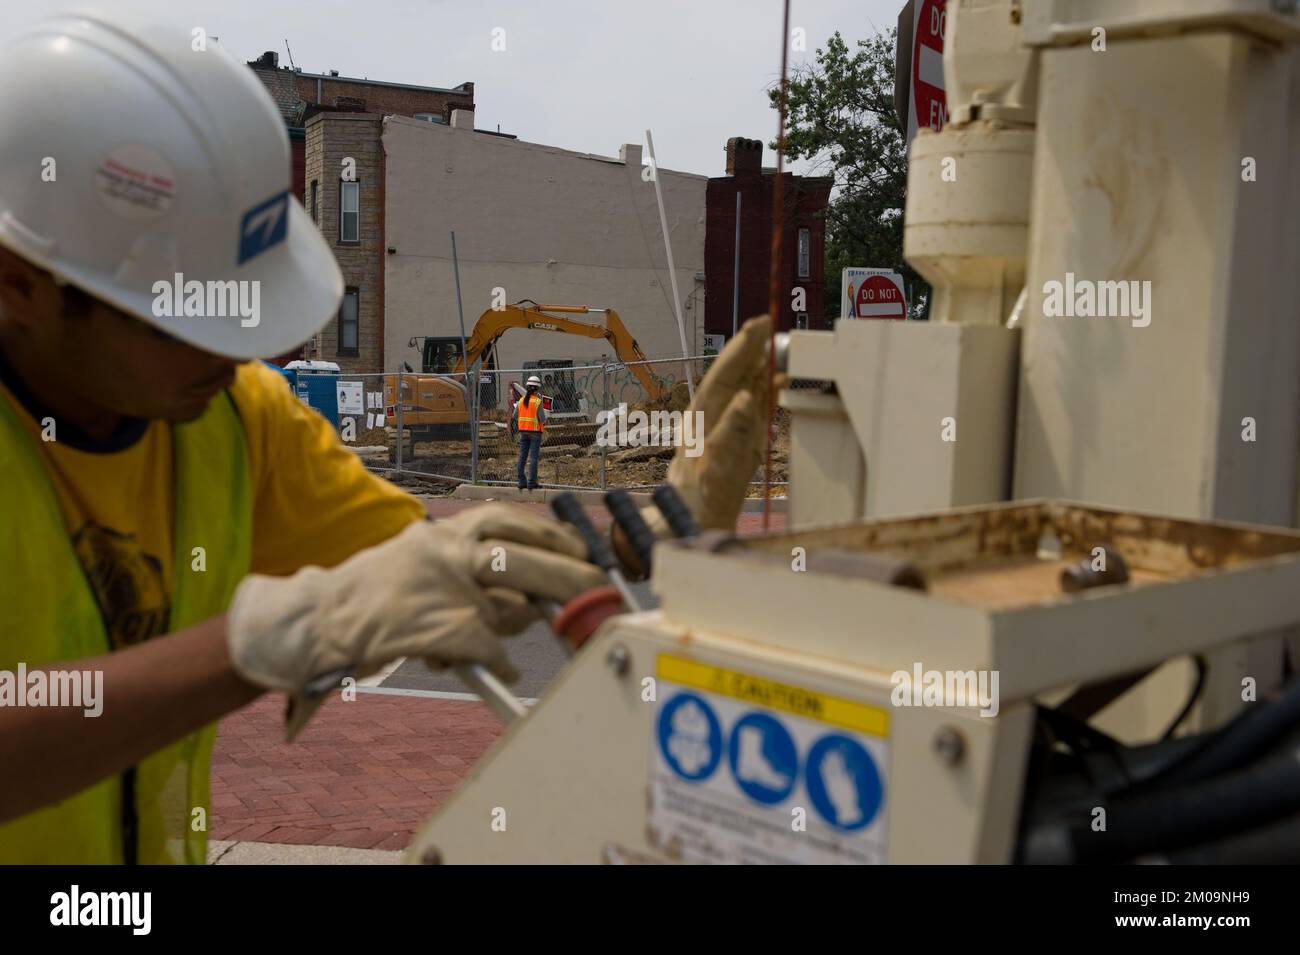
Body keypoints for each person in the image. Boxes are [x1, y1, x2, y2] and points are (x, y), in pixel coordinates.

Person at [0, 11, 608, 864]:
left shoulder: (233, 415)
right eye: (182, 317)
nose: (242, 346)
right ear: (20, 284)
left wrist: (661, 540)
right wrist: (255, 645)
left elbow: (412, 562)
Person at [514, 374, 548, 490]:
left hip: (523, 432)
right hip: (535, 433)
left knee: (522, 457)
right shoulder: (537, 402)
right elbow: (542, 419)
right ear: (537, 389)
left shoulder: (521, 401)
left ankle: (521, 482)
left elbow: (514, 415)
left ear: (527, 387)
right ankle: (532, 482)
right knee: (533, 458)